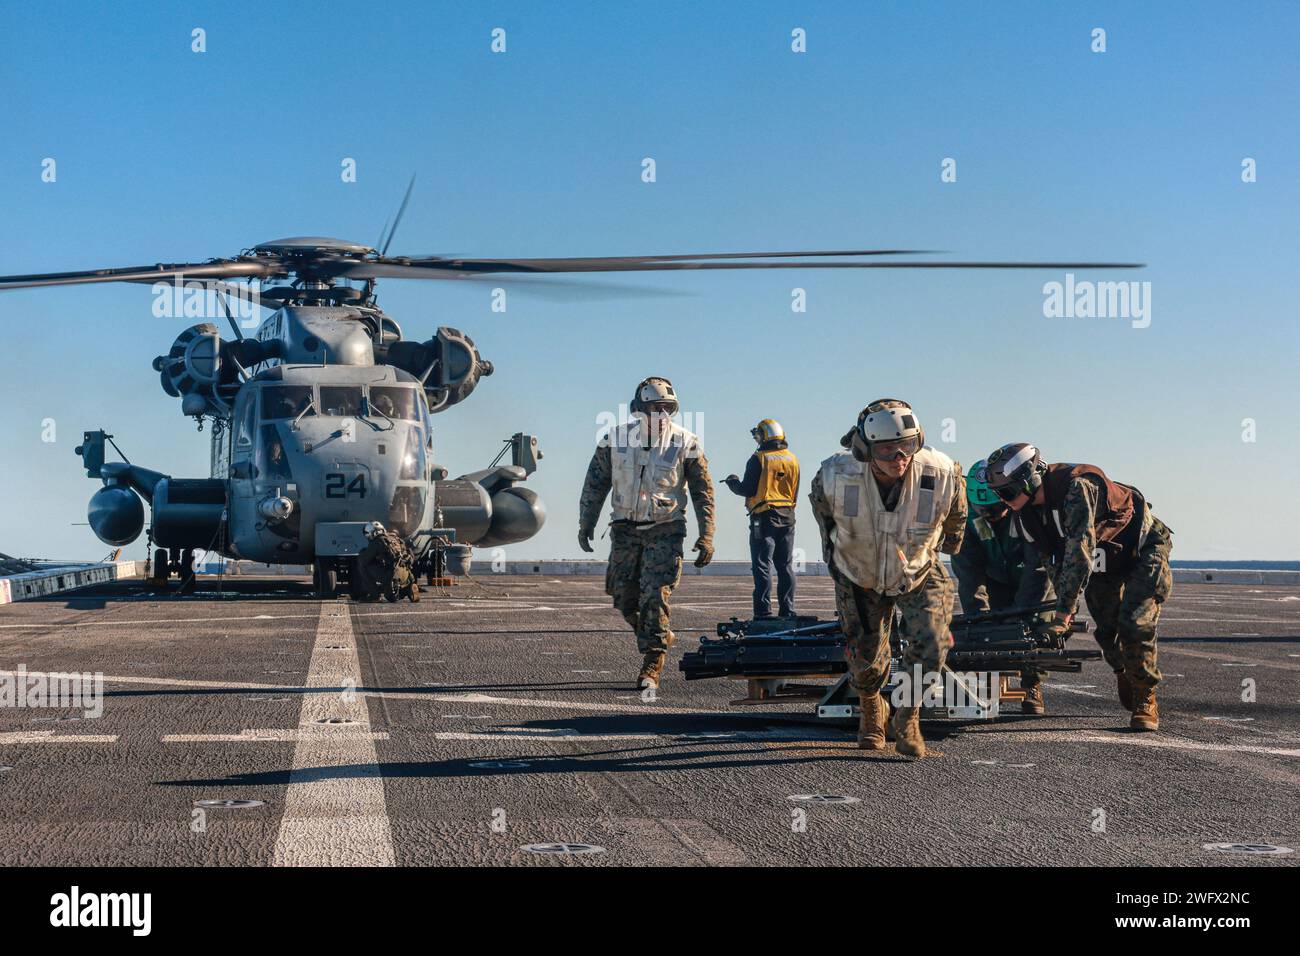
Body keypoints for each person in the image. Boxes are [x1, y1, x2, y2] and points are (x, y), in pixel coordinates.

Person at [810, 399, 965, 757]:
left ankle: (907, 715)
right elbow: (825, 521)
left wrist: (946, 546)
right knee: (865, 659)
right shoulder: (834, 475)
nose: (899, 457)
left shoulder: (941, 472)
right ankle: (871, 708)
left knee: (933, 642)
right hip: (858, 571)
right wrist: (839, 565)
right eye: (886, 449)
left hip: (919, 567)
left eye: (907, 446)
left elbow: (956, 516)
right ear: (865, 450)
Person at [982, 443, 1173, 731]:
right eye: (999, 494)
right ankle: (1124, 669)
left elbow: (1079, 549)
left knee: (1135, 624)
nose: (1004, 500)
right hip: (1103, 562)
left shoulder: (1076, 488)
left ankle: (1145, 693)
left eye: (1007, 492)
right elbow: (1052, 562)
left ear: (1030, 480)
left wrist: (1064, 613)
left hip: (1141, 550)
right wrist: (1063, 614)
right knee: (1107, 632)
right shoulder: (1024, 515)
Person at [578, 377, 715, 690]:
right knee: (623, 597)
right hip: (625, 530)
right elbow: (595, 483)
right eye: (656, 407)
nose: (663, 414)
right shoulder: (613, 440)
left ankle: (652, 663)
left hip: (665, 530)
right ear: (638, 410)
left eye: (668, 408)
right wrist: (586, 523)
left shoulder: (687, 443)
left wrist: (707, 534)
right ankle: (657, 633)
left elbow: (702, 492)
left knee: (655, 596)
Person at [951, 460, 1054, 713]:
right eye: (982, 509)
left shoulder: (1026, 511)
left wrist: (1021, 613)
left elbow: (1037, 568)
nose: (990, 516)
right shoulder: (964, 519)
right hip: (995, 578)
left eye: (996, 509)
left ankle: (1031, 683)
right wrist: (978, 617)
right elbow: (969, 574)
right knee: (988, 628)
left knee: (1034, 626)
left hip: (1032, 578)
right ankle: (994, 677)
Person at [724, 419, 800, 619]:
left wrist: (732, 483)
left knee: (762, 564)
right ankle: (788, 611)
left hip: (763, 518)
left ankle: (763, 612)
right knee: (785, 565)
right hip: (788, 516)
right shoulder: (792, 459)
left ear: (764, 436)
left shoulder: (759, 458)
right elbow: (795, 491)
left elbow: (747, 489)